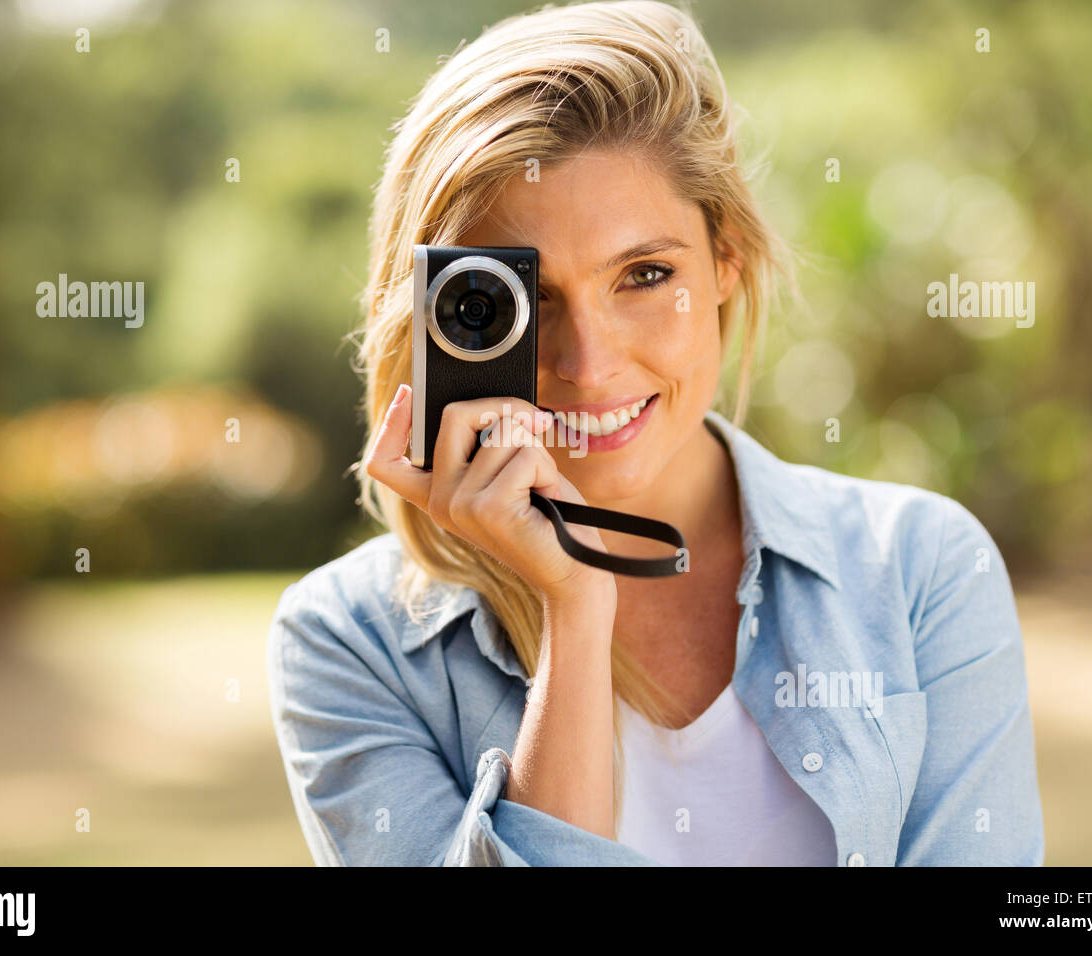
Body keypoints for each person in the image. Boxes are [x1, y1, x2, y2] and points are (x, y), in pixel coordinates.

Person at [266, 0, 1044, 866]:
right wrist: (572, 610)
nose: (589, 365)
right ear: (438, 318)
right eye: (527, 300)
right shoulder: (349, 645)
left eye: (644, 274)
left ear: (726, 261)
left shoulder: (919, 571)